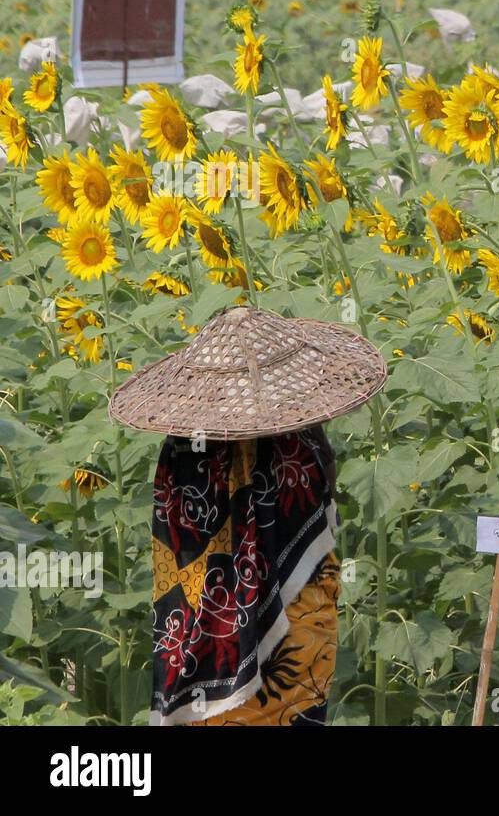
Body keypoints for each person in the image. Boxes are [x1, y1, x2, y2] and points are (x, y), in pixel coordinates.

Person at [109, 305, 387, 725]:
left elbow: (176, 544)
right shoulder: (302, 434)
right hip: (300, 621)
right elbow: (323, 502)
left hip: (205, 635)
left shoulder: (182, 446)